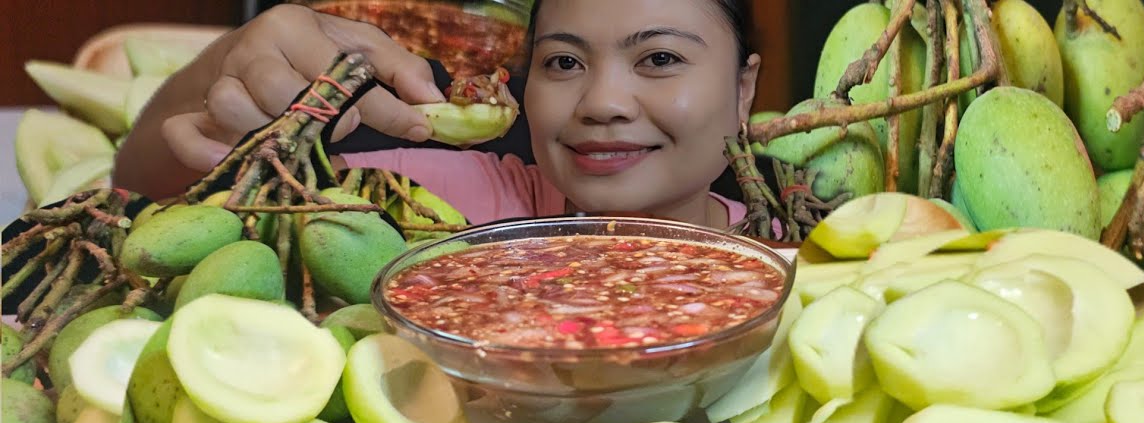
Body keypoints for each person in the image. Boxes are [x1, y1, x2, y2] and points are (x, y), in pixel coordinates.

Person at [115, 0, 763, 231]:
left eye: (658, 58)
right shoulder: (438, 202)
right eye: (564, 63)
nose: (601, 104)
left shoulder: (811, 259)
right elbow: (159, 199)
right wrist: (231, 65)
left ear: (743, 89)